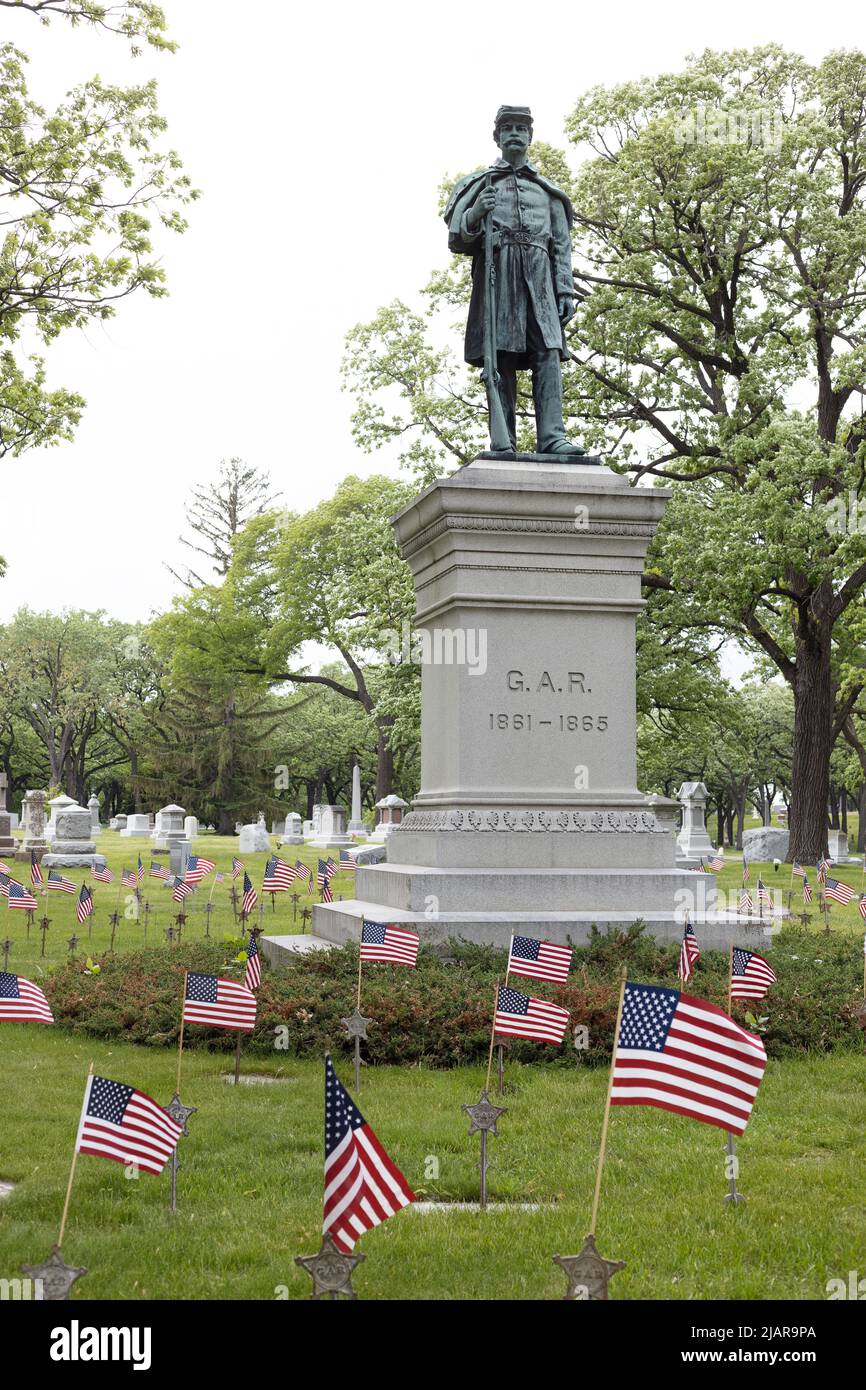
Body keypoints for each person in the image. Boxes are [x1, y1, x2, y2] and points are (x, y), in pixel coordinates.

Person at [444, 104, 585, 456]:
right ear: (497, 136)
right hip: (499, 274)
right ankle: (503, 438)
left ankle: (553, 437)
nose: (515, 134)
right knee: (501, 356)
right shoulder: (480, 184)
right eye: (508, 128)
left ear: (530, 136)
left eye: (521, 129)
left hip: (539, 278)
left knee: (548, 352)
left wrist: (565, 289)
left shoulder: (547, 192)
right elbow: (457, 237)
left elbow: (562, 245)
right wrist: (476, 213)